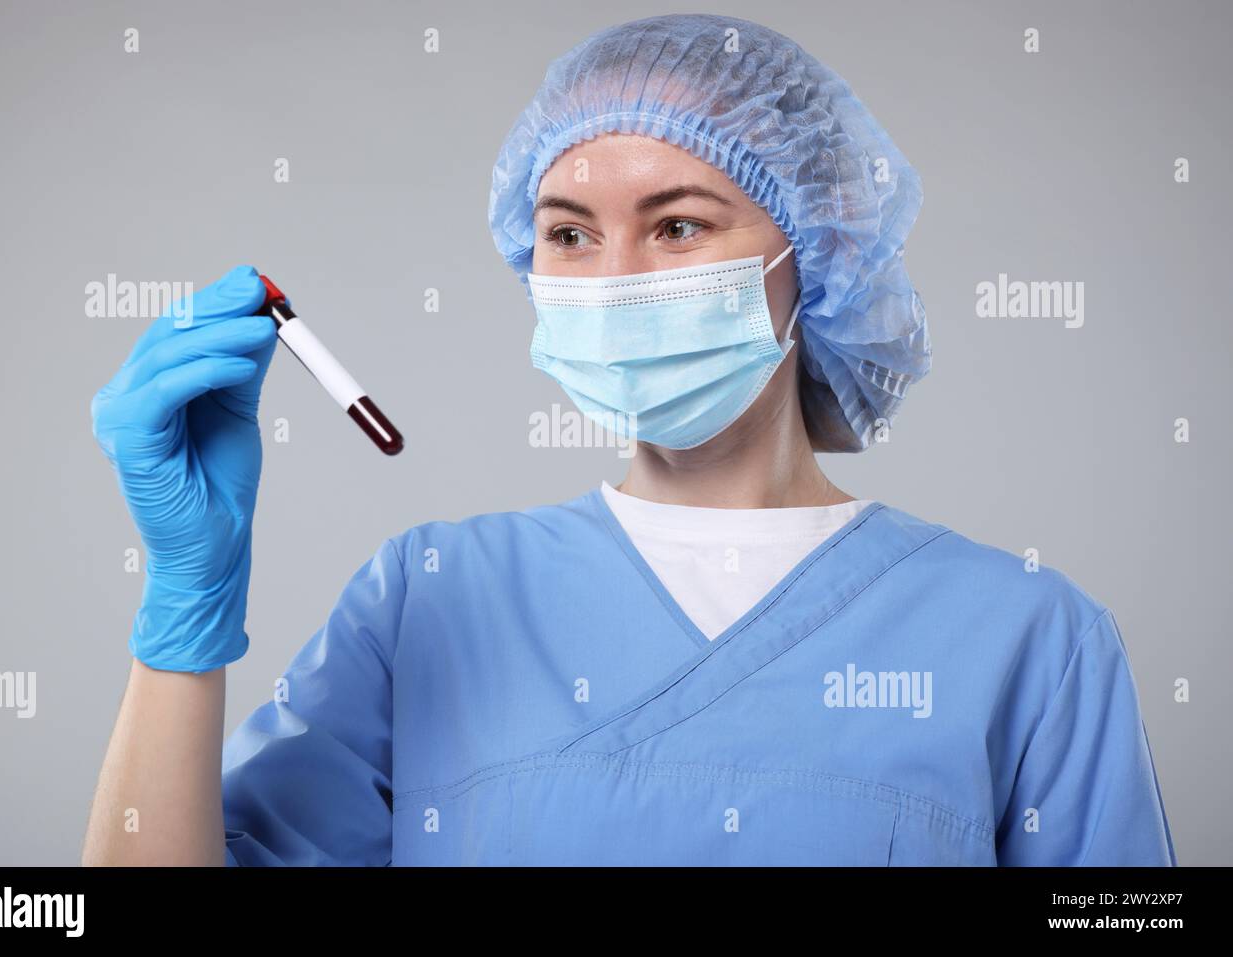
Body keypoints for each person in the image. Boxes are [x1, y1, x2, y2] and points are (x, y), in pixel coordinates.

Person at [82, 14, 1176, 866]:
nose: (614, 280)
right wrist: (184, 607)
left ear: (820, 246)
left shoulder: (1027, 636)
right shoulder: (429, 599)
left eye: (679, 225)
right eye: (568, 232)